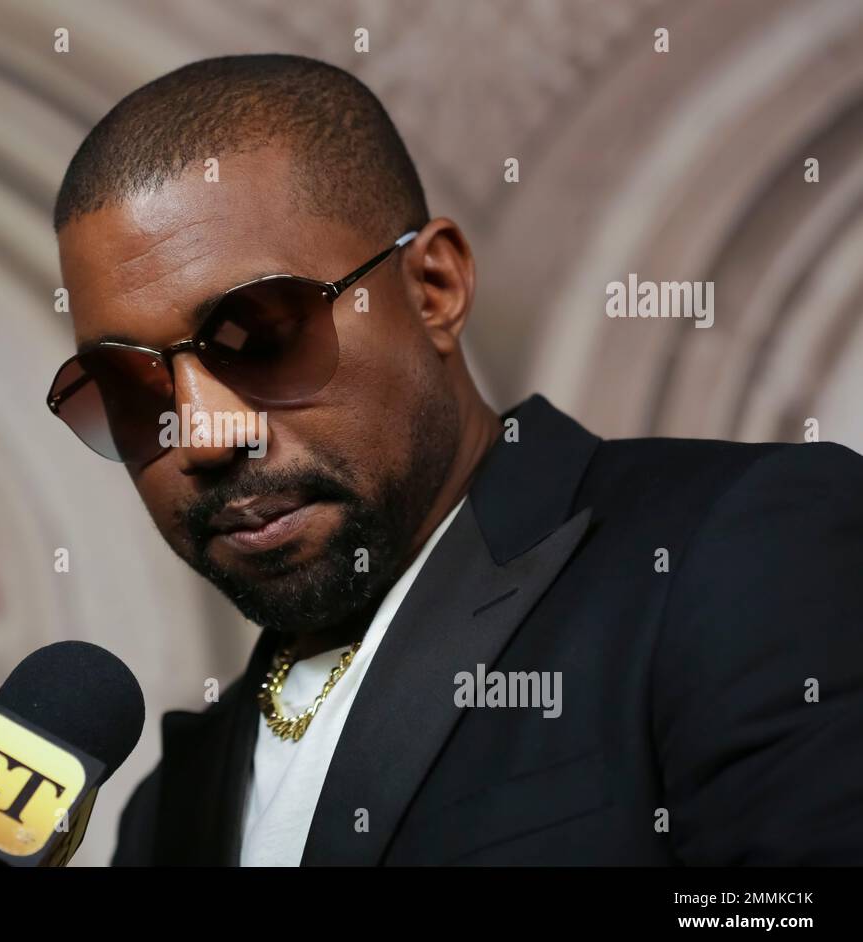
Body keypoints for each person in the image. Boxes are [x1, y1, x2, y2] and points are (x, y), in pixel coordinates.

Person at [47, 53, 863, 865]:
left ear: (433, 287)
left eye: (259, 335)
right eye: (127, 388)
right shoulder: (167, 810)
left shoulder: (732, 552)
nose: (201, 436)